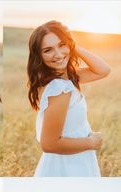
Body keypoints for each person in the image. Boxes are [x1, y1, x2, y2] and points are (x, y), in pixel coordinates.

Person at [27, 21, 110, 177]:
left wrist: (72, 46)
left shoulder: (67, 78)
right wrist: (91, 142)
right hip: (68, 166)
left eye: (61, 45)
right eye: (48, 50)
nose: (58, 54)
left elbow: (103, 70)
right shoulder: (60, 88)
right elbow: (49, 144)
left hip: (74, 159)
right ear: (39, 56)